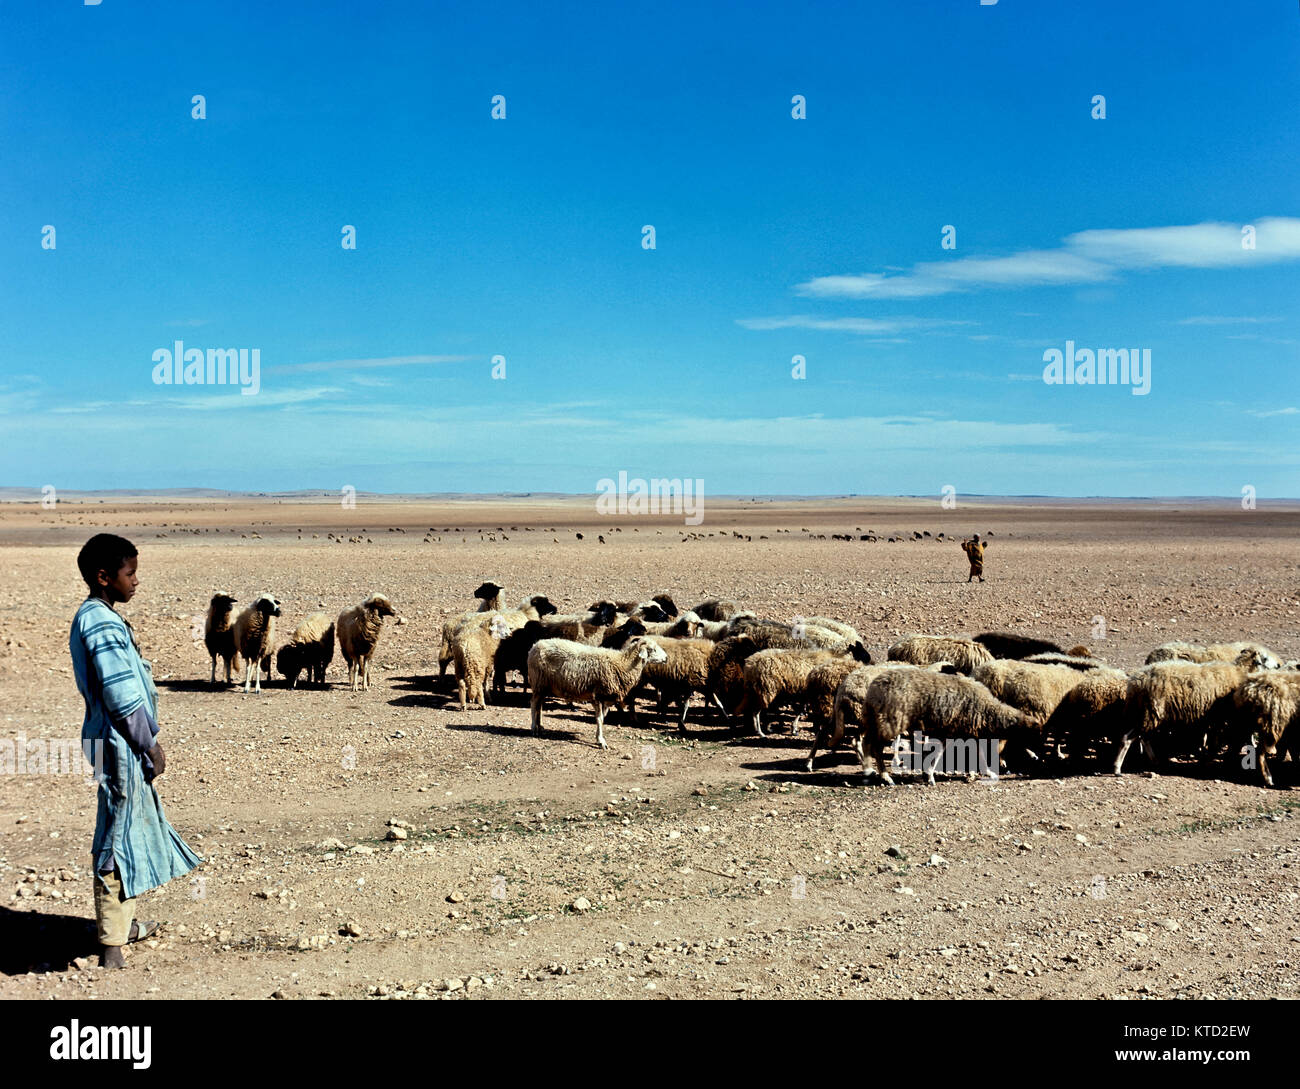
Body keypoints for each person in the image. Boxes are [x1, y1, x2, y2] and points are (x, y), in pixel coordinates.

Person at [69, 534, 202, 968]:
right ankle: (111, 944)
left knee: (124, 827)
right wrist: (149, 743)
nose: (136, 581)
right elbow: (121, 694)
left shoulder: (97, 616)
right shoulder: (101, 623)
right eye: (130, 574)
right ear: (103, 577)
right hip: (118, 742)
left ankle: (121, 924)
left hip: (113, 739)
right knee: (116, 833)